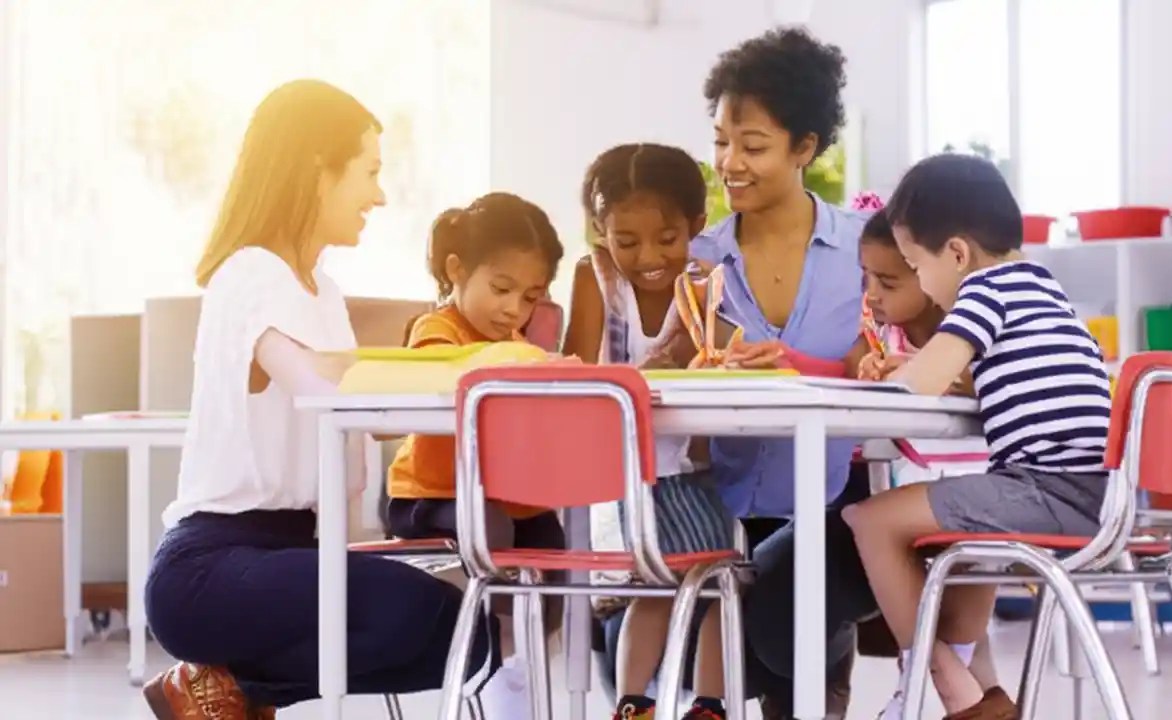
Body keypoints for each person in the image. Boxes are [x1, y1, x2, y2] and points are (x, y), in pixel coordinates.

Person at [143, 79, 495, 719]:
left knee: (471, 638)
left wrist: (486, 374)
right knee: (418, 612)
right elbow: (319, 387)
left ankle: (222, 689)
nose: (379, 195)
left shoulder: (323, 291)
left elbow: (364, 414)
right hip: (212, 565)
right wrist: (455, 368)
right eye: (368, 171)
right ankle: (212, 679)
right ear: (316, 171)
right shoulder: (249, 273)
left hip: (290, 551)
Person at [844, 154, 1112, 720]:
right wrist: (907, 366)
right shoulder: (1042, 288)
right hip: (1096, 495)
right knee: (948, 544)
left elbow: (923, 385)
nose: (920, 281)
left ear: (958, 254)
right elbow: (975, 374)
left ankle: (945, 685)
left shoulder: (983, 291)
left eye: (916, 265)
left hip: (1047, 490)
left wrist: (897, 372)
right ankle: (960, 684)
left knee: (869, 519)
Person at [692, 27, 878, 719]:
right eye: (720, 141)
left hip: (833, 499)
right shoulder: (698, 261)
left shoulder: (866, 249)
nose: (729, 163)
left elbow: (887, 357)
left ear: (805, 148)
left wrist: (839, 363)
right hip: (723, 504)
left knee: (796, 662)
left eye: (753, 146)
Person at [564, 143, 737, 720]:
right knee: (703, 579)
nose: (648, 257)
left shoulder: (708, 279)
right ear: (601, 231)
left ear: (696, 224)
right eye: (626, 240)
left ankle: (682, 703)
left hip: (697, 461)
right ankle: (657, 702)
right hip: (631, 463)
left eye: (667, 238)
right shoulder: (595, 278)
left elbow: (702, 356)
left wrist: (662, 363)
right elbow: (578, 372)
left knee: (696, 582)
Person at [383, 192, 567, 719]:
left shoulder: (515, 340)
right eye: (502, 289)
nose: (514, 309)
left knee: (551, 544)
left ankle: (516, 661)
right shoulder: (436, 330)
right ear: (456, 270)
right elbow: (441, 377)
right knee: (495, 532)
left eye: (531, 298)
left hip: (503, 498)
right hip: (429, 496)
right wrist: (519, 360)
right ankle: (490, 658)